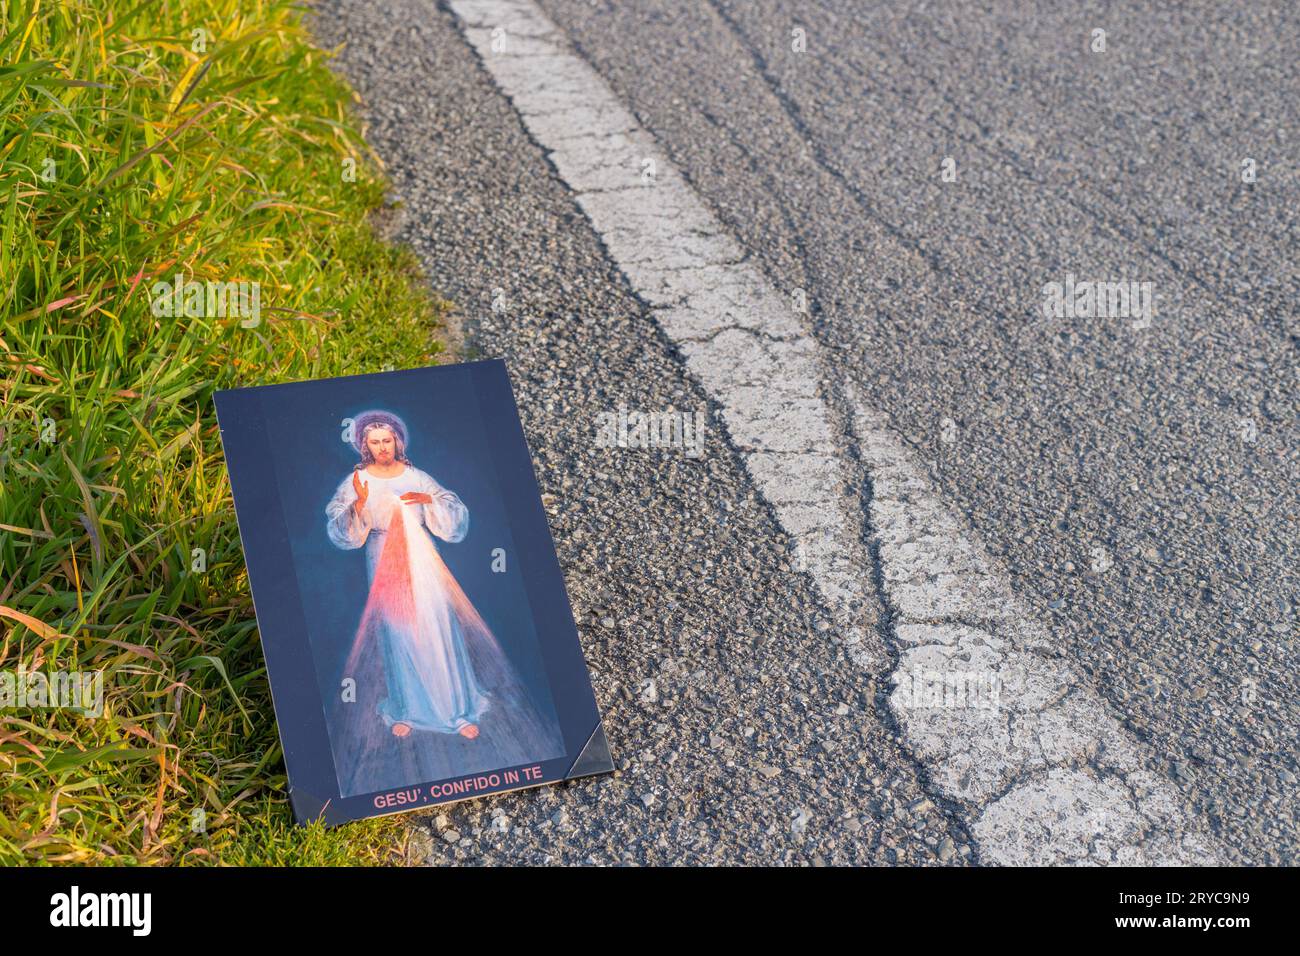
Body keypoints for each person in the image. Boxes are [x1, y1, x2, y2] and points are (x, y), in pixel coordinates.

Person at [326, 410, 487, 739]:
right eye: (375, 442)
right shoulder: (358, 481)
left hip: (421, 555)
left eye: (387, 440)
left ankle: (457, 711)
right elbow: (338, 524)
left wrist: (429, 500)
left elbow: (452, 509)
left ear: (397, 441)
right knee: (398, 632)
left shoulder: (416, 476)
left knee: (435, 626)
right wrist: (359, 503)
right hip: (383, 554)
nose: (382, 447)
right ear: (365, 446)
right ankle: (408, 710)